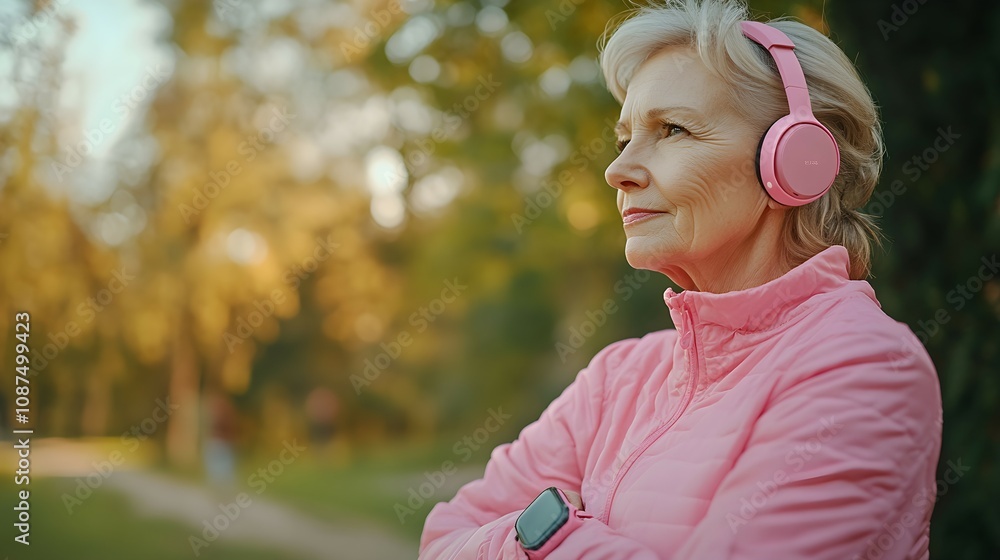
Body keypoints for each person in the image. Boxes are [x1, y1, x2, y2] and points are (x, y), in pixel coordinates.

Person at [419, 1, 942, 559]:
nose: (617, 170)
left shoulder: (864, 365)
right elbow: (441, 540)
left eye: (672, 129)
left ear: (795, 160)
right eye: (625, 138)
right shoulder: (617, 378)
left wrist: (550, 537)